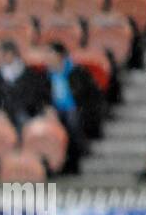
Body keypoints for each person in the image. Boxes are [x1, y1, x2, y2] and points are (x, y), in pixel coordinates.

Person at [43, 41, 103, 174]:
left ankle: (78, 153)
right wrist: (47, 108)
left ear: (60, 56)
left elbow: (90, 96)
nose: (47, 58)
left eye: (50, 54)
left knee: (72, 120)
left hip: (77, 110)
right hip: (55, 112)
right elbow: (41, 98)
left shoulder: (78, 72)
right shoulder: (45, 76)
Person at [0, 41, 48, 129]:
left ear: (12, 54)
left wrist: (16, 109)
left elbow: (33, 97)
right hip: (1, 113)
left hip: (24, 112)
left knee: (24, 121)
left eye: (3, 54)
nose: (1, 57)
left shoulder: (29, 73)